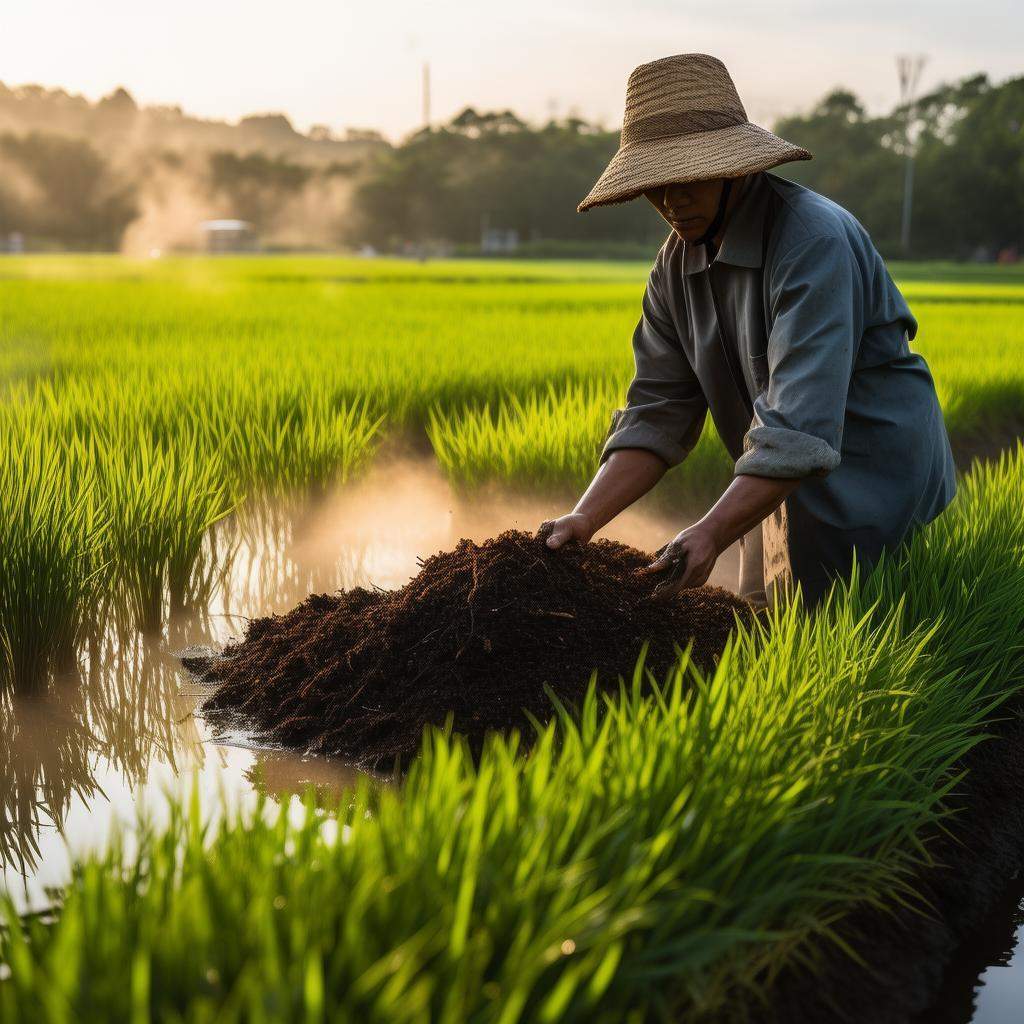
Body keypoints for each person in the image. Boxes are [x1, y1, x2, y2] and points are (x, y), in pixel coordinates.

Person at [541, 53, 956, 607]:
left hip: (874, 485)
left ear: (737, 167)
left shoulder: (812, 242)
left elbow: (798, 425)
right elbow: (658, 411)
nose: (673, 200)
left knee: (861, 642)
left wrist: (711, 531)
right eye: (657, 184)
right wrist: (583, 518)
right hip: (771, 483)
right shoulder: (675, 265)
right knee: (766, 632)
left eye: (689, 177)